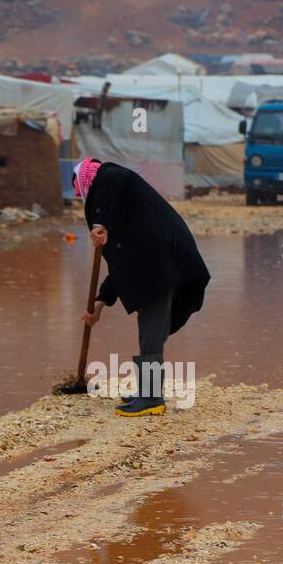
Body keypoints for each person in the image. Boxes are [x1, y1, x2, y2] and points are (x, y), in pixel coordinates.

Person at [76, 158, 210, 416]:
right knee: (149, 331)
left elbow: (109, 182)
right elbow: (122, 266)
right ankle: (146, 392)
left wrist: (100, 222)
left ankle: (151, 398)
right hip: (159, 265)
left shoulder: (108, 175)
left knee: (151, 333)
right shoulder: (130, 224)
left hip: (163, 267)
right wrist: (100, 302)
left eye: (80, 189)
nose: (79, 194)